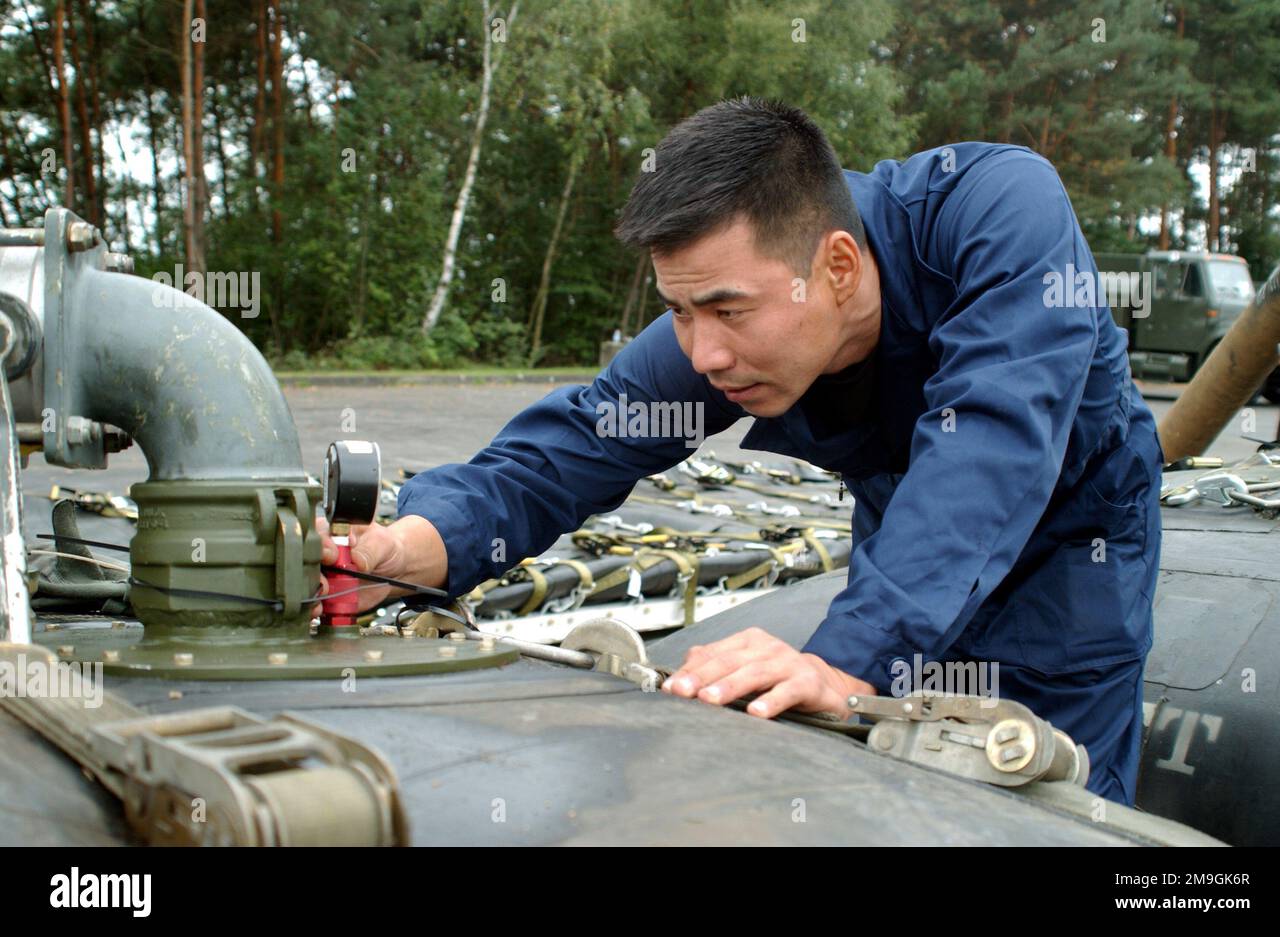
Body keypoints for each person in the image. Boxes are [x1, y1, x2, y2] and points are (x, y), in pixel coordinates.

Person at [317, 98, 1162, 805]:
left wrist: (840, 657)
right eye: (679, 313)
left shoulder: (1000, 214)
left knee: (1052, 798)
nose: (703, 355)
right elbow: (581, 440)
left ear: (836, 266)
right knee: (902, 787)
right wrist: (411, 549)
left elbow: (991, 444)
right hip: (905, 538)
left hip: (1070, 550)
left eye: (726, 310)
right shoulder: (720, 325)